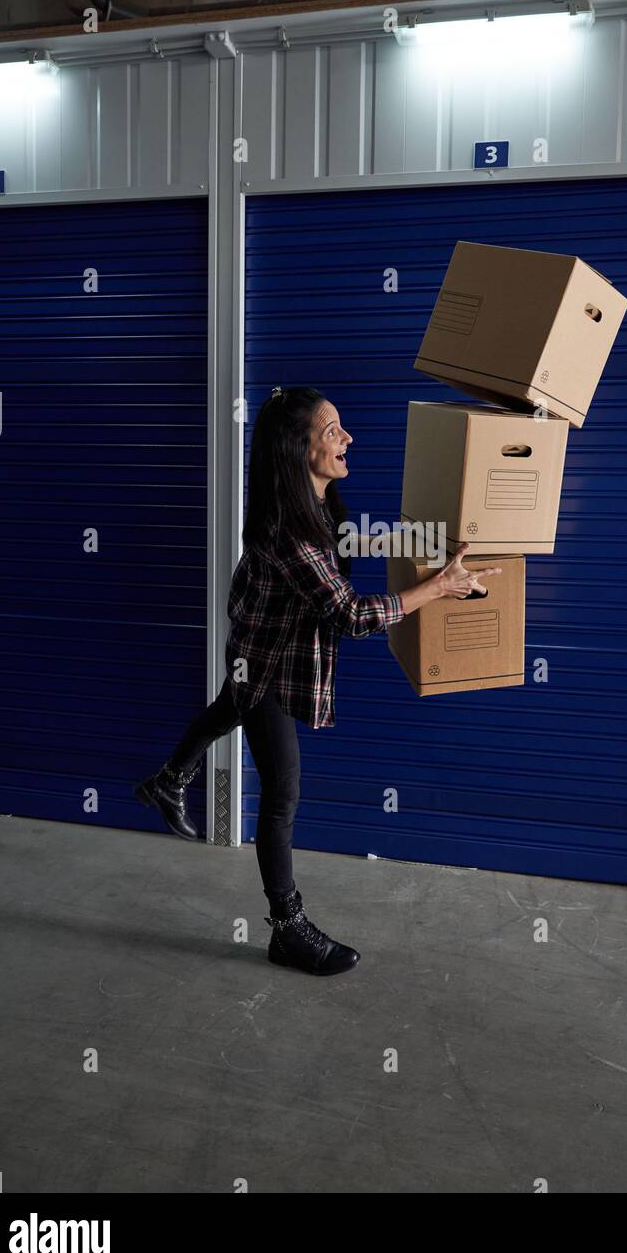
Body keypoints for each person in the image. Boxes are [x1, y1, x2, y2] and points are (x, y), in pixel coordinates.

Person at [136, 386, 500, 976]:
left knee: (229, 704)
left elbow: (347, 543)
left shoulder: (318, 505)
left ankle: (169, 779)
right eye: (333, 430)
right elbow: (350, 615)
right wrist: (437, 588)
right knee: (281, 796)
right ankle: (288, 928)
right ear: (298, 447)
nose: (347, 437)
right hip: (268, 659)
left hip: (258, 646)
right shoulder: (289, 531)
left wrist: (422, 544)